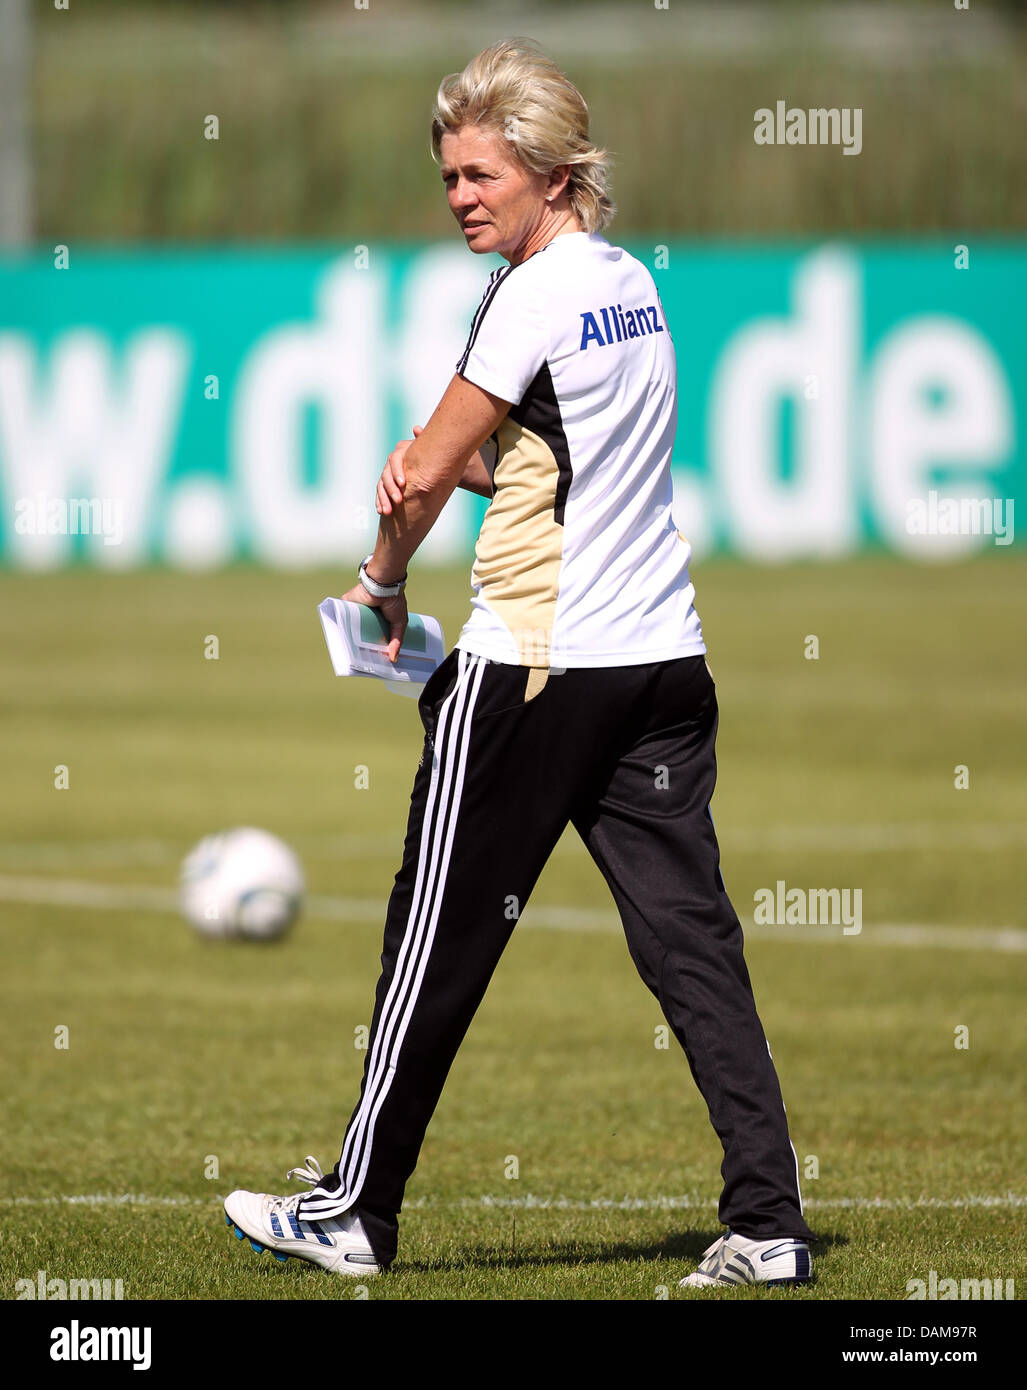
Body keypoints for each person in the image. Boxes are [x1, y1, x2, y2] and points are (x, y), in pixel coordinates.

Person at [224, 37, 815, 1290]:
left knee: (429, 938)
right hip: (662, 662)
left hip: (537, 668)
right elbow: (555, 454)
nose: (460, 197)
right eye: (448, 176)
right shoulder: (631, 281)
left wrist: (379, 584)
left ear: (550, 172)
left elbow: (430, 470)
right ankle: (767, 1224)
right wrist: (461, 457)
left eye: (482, 173)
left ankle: (353, 1212)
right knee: (693, 947)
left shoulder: (528, 292)